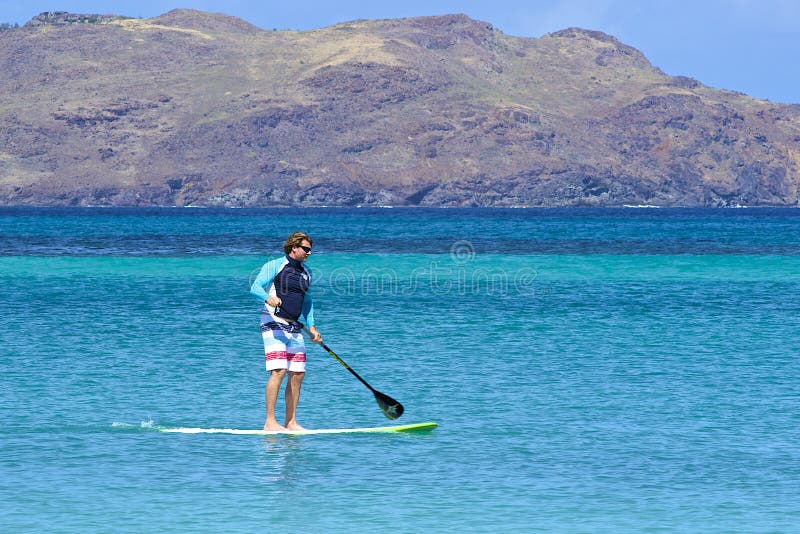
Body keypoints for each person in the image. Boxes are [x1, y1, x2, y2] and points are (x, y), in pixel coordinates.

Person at [250, 232, 322, 431]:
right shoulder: (275, 265)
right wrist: (267, 298)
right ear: (294, 248)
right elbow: (255, 287)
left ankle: (290, 422)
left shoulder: (306, 272)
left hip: (294, 325)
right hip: (273, 320)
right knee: (279, 370)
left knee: (298, 373)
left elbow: (307, 301)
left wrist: (312, 326)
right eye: (306, 249)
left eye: (310, 249)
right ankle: (270, 422)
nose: (309, 252)